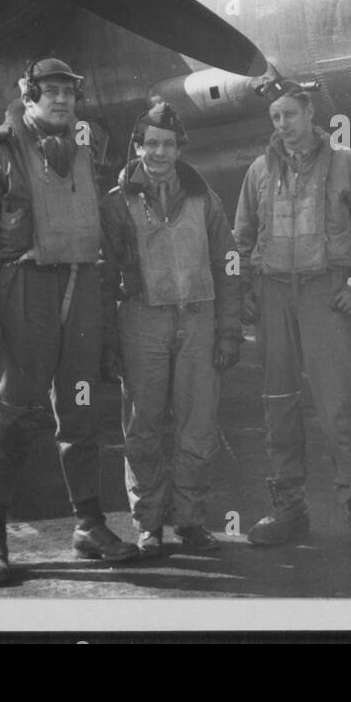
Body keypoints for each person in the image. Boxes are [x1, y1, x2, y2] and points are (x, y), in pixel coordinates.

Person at [0, 58, 136, 587]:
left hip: (81, 292)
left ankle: (89, 526)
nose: (61, 100)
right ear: (29, 95)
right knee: (9, 418)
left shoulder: (89, 153)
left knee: (81, 413)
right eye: (51, 91)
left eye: (68, 92)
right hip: (23, 293)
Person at [233, 78, 351, 551]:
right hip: (274, 299)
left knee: (338, 407)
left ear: (309, 115)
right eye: (276, 118)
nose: (283, 126)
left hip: (326, 297)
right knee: (279, 405)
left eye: (290, 116)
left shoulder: (347, 164)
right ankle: (288, 510)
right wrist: (245, 291)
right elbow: (242, 237)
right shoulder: (259, 171)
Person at [98, 103, 243, 558]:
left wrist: (229, 331)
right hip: (142, 320)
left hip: (199, 320)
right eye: (150, 144)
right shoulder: (117, 203)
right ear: (137, 147)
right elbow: (103, 276)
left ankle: (191, 520)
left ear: (179, 148)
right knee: (143, 428)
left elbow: (229, 265)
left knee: (197, 427)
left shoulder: (205, 199)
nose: (159, 152)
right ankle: (148, 523)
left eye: (168, 144)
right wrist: (109, 341)